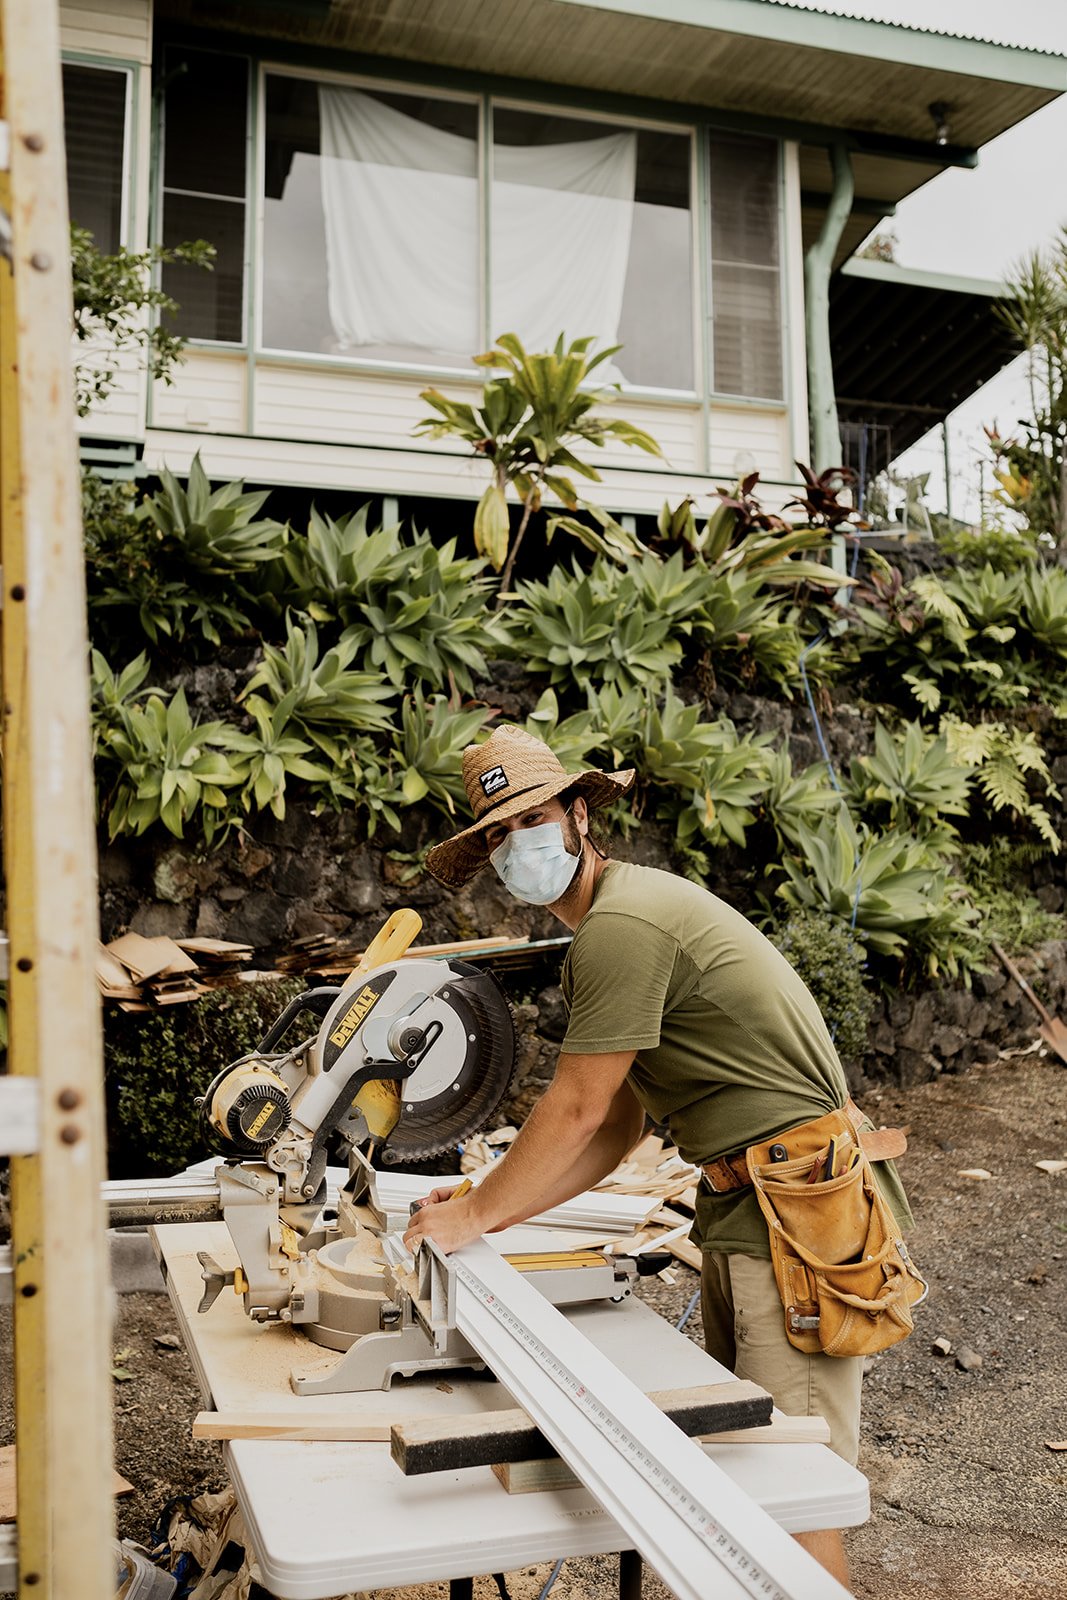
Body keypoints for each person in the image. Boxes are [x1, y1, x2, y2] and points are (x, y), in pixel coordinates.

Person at [404, 723, 912, 1586]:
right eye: (494, 833)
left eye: (529, 818)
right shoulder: (613, 921)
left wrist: (475, 1214)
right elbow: (615, 1128)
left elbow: (574, 1109)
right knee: (743, 1460)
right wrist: (480, 1210)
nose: (513, 844)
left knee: (794, 1479)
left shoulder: (621, 927)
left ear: (577, 812)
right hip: (751, 1201)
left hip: (792, 1208)